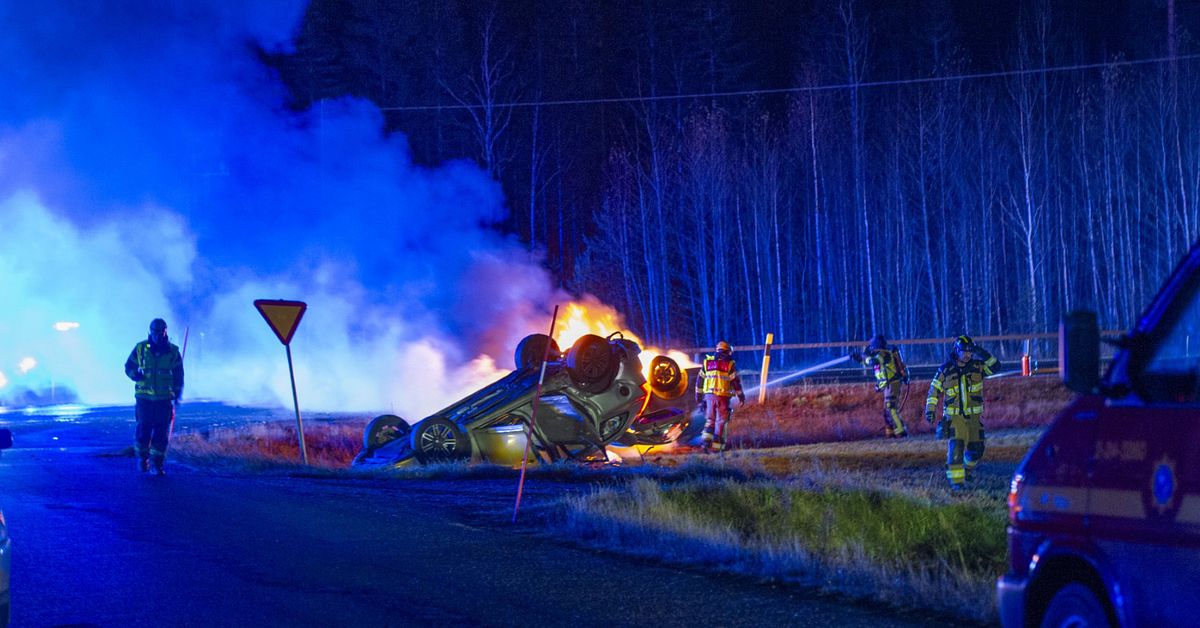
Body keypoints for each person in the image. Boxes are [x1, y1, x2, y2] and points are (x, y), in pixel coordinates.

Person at [924, 335, 999, 489]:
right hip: (954, 417)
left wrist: (980, 351)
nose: (967, 355)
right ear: (956, 351)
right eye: (964, 351)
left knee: (977, 450)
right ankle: (956, 483)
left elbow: (996, 366)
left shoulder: (978, 367)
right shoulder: (945, 370)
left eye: (970, 352)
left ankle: (967, 470)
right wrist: (930, 410)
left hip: (973, 418)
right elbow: (934, 391)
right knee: (956, 449)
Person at [124, 318, 184, 475]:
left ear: (165, 332)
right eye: (155, 332)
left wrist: (177, 394)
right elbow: (129, 366)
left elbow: (179, 375)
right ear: (150, 331)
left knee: (161, 433)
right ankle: (142, 459)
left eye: (161, 332)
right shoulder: (141, 348)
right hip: (144, 399)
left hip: (164, 400)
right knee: (143, 430)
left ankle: (157, 464)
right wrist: (134, 375)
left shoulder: (173, 351)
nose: (157, 335)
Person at [849, 334, 910, 438]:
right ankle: (890, 432)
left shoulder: (884, 354)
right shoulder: (877, 354)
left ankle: (901, 432)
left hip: (893, 383)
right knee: (887, 410)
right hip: (887, 384)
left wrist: (864, 357)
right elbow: (870, 361)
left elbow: (874, 361)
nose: (871, 348)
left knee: (891, 408)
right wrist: (858, 358)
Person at [695, 340, 746, 452]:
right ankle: (717, 450)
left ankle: (705, 444)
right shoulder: (730, 364)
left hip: (709, 397)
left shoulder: (707, 363)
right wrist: (741, 397)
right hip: (723, 397)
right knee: (721, 421)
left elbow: (700, 380)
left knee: (710, 420)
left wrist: (698, 396)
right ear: (728, 352)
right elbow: (735, 382)